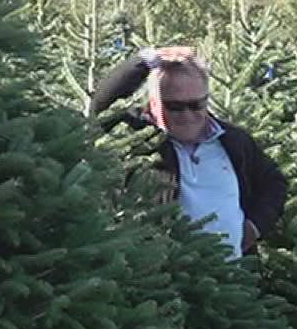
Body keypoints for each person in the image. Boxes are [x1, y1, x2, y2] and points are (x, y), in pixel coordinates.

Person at [89, 46, 286, 258]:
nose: (187, 114)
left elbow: (273, 183)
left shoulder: (233, 141)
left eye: (196, 105)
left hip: (233, 282)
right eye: (175, 106)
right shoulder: (137, 140)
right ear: (154, 104)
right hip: (163, 281)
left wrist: (253, 228)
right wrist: (143, 62)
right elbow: (96, 112)